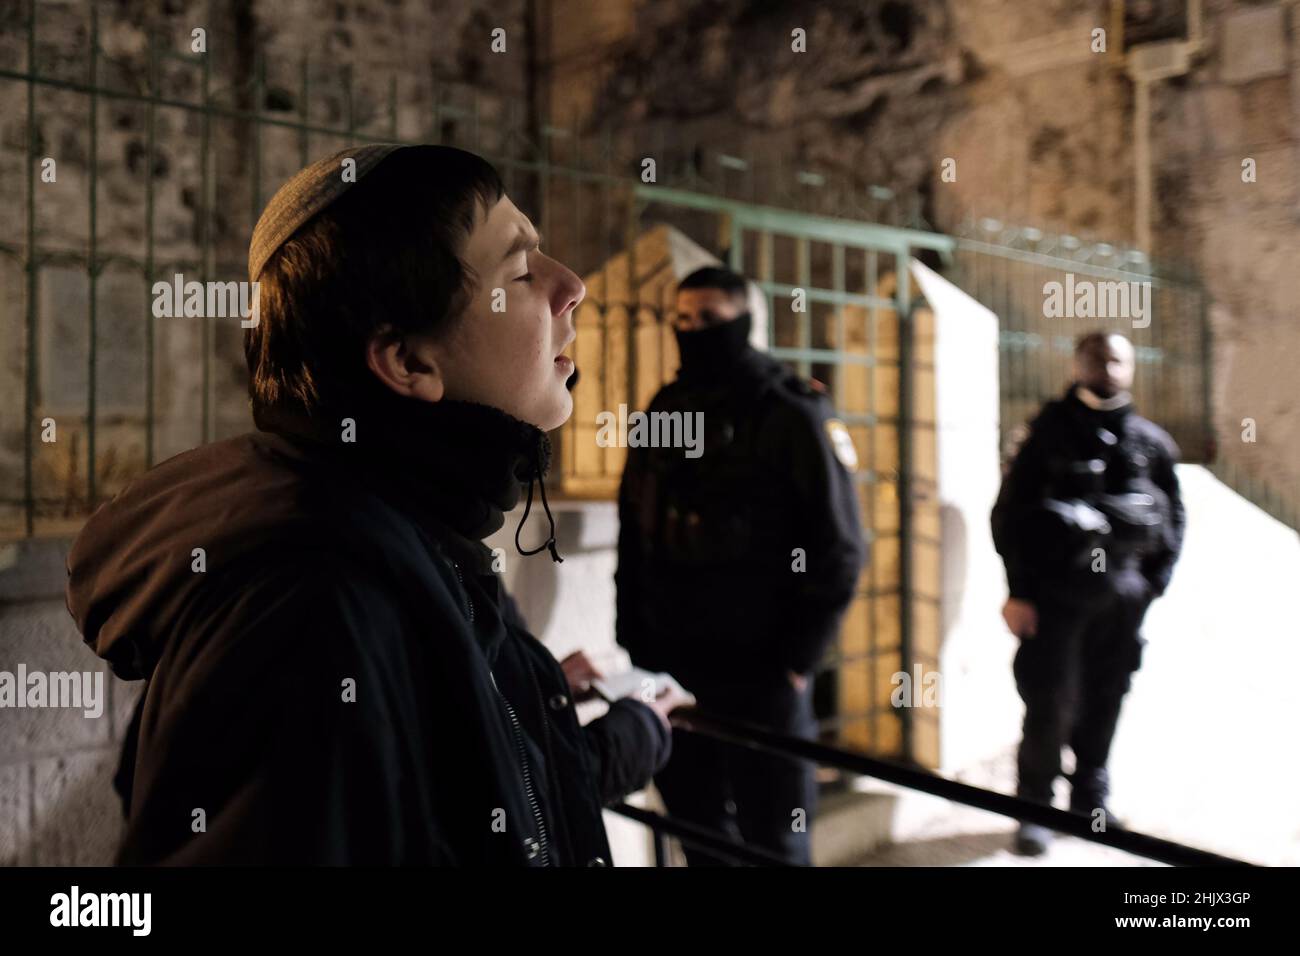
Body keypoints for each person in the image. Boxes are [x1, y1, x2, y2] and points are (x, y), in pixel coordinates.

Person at [66, 143, 688, 865]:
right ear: (408, 361)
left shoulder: (417, 541)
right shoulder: (310, 609)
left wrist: (523, 689)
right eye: (519, 271)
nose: (572, 285)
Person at [615, 266, 867, 865]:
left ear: (745, 321)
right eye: (681, 319)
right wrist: (634, 637)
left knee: (776, 837)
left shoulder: (789, 410)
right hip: (674, 664)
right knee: (697, 832)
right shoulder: (666, 408)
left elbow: (839, 548)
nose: (692, 330)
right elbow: (635, 529)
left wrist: (795, 661)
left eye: (708, 319)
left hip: (763, 672)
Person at [992, 331, 1185, 856]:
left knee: (1106, 697)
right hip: (1058, 594)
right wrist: (1019, 592)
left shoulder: (1149, 442)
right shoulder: (1046, 434)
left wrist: (1152, 585)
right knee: (1049, 701)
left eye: (1115, 358)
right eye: (1095, 358)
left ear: (1130, 367)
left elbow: (1172, 517)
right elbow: (1010, 518)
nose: (1106, 367)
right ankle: (1034, 807)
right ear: (1077, 364)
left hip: (1122, 597)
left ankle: (1090, 802)